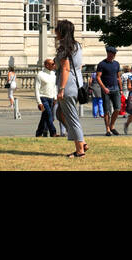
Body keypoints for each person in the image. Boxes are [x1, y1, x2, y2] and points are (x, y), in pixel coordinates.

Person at [53, 19, 86, 158]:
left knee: (72, 118)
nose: (55, 31)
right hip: (77, 84)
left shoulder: (64, 48)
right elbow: (78, 66)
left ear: (62, 32)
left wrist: (61, 89)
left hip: (67, 85)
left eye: (57, 29)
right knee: (62, 115)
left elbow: (66, 69)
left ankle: (80, 150)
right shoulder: (77, 46)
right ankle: (82, 143)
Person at [95, 46, 122, 136]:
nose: (114, 55)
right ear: (108, 53)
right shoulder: (102, 64)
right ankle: (107, 129)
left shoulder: (116, 64)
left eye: (115, 54)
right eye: (113, 53)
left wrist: (121, 89)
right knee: (107, 110)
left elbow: (118, 77)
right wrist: (104, 88)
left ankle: (112, 126)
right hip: (106, 89)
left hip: (115, 88)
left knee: (117, 108)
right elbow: (98, 77)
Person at [35, 58, 58, 137]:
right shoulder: (40, 74)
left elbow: (54, 87)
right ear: (46, 65)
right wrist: (39, 102)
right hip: (43, 97)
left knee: (44, 117)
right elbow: (36, 89)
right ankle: (53, 132)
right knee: (49, 115)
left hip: (51, 98)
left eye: (54, 64)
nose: (54, 65)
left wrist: (55, 97)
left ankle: (39, 133)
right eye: (52, 64)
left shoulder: (53, 74)